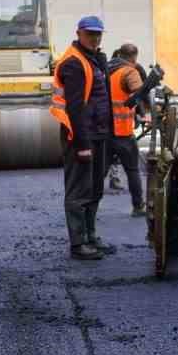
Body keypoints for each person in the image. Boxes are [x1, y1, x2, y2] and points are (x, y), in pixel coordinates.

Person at [50, 16, 110, 259]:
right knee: (79, 192)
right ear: (79, 33)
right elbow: (75, 108)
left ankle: (90, 236)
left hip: (98, 133)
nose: (94, 38)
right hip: (80, 137)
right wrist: (82, 145)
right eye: (90, 34)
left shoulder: (93, 59)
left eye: (98, 34)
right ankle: (78, 244)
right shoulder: (74, 63)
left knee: (95, 189)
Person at [105, 44, 151, 218]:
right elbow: (138, 93)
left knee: (99, 172)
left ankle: (87, 208)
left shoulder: (106, 69)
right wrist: (144, 112)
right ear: (134, 57)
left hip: (104, 131)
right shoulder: (130, 72)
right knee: (132, 170)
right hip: (122, 132)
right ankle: (138, 207)